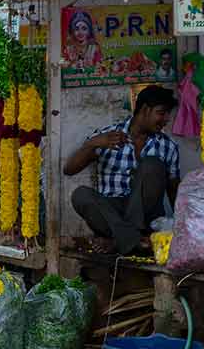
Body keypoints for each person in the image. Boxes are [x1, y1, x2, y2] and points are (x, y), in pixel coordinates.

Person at [65, 85, 181, 255]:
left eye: (167, 115)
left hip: (147, 218)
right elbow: (69, 170)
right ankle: (133, 240)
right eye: (161, 113)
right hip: (112, 216)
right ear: (145, 110)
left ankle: (121, 241)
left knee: (152, 164)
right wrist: (92, 144)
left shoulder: (168, 146)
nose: (166, 120)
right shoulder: (108, 135)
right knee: (81, 195)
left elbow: (174, 190)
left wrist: (182, 227)